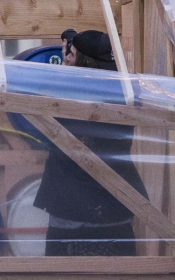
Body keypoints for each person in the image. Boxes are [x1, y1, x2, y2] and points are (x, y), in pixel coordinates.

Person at [36, 28, 146, 255]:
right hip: (115, 199)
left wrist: (68, 65)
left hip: (70, 202)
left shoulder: (65, 92)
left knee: (65, 279)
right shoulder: (124, 90)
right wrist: (74, 51)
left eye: (72, 53)